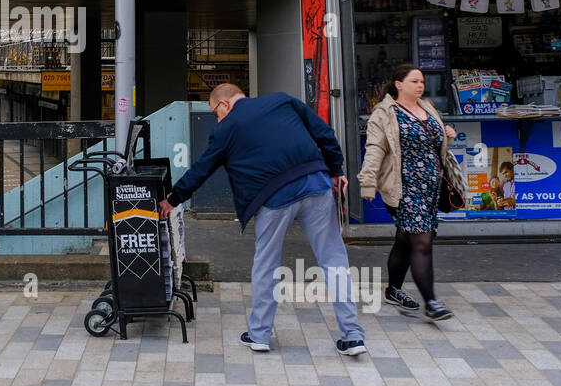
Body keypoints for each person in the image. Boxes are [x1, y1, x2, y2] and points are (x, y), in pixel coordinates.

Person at [158, 83, 367, 356]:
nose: (218, 118)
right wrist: (336, 169)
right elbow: (324, 133)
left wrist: (172, 200)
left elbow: (201, 169)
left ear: (224, 104)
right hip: (316, 184)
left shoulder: (226, 127)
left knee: (266, 263)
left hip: (273, 197)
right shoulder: (283, 100)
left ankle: (259, 335)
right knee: (333, 259)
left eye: (215, 112)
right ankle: (352, 336)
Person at [358, 64, 466, 322]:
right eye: (415, 81)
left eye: (422, 81)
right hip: (404, 188)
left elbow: (431, 145)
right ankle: (431, 302)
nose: (420, 85)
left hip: (430, 187)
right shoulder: (384, 113)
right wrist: (367, 182)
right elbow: (375, 148)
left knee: (406, 240)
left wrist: (447, 136)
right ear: (399, 84)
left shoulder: (427, 107)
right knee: (422, 241)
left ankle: (393, 289)